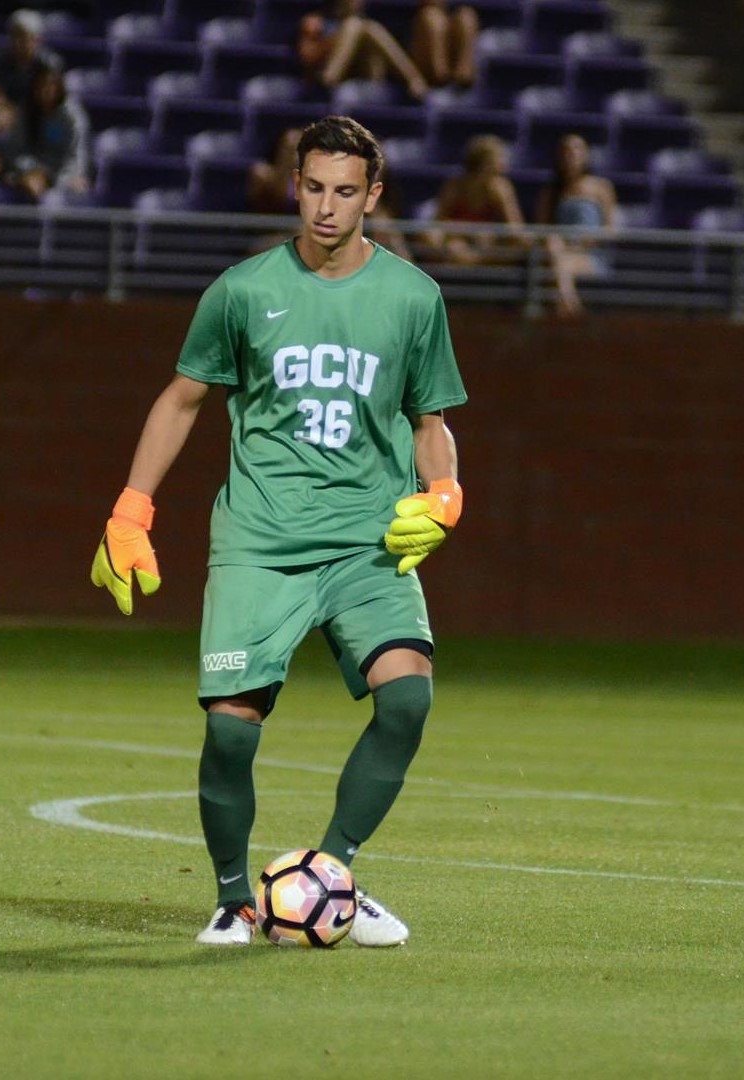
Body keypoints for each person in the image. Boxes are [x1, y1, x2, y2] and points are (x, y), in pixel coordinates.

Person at [89, 115, 468, 948]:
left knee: (407, 699)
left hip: (369, 540)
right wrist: (131, 508)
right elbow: (181, 400)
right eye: (312, 188)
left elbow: (430, 419)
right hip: (261, 541)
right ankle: (231, 900)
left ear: (373, 195)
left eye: (345, 192)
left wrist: (444, 493)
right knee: (231, 729)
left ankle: (330, 875)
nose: (326, 208)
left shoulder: (414, 297)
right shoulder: (242, 289)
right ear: (292, 185)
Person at [534, 132, 618, 319]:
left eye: (576, 149)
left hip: (590, 255)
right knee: (555, 249)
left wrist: (582, 244)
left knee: (559, 263)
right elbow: (542, 229)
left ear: (586, 154)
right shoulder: (550, 192)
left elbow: (609, 230)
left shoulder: (601, 187)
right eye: (565, 151)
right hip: (557, 250)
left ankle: (566, 308)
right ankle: (570, 307)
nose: (570, 155)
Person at [297, 0, 430, 100]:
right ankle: (328, 80)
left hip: (367, 75)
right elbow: (306, 59)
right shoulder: (315, 22)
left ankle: (413, 79)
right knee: (354, 25)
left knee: (371, 28)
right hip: (325, 77)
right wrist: (333, 42)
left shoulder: (363, 26)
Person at [427, 133, 523, 265]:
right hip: (456, 240)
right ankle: (471, 264)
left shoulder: (501, 188)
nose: (503, 162)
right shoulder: (454, 186)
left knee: (517, 243)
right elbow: (438, 223)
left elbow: (515, 229)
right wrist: (468, 231)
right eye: (499, 157)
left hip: (487, 245)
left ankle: (471, 263)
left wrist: (487, 235)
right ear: (483, 162)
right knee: (431, 237)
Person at [1, 63, 87, 201]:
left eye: (50, 85)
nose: (45, 90)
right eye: (40, 85)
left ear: (59, 87)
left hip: (62, 174)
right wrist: (33, 170)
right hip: (30, 170)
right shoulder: (25, 113)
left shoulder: (72, 116)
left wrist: (56, 178)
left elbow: (76, 156)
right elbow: (15, 151)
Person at [0, 9, 62, 111]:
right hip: (5, 112)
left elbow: (53, 97)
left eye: (23, 37)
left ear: (36, 39)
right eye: (14, 36)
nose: (17, 43)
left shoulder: (49, 63)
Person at [408, 0, 478, 89]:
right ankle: (440, 76)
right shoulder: (429, 17)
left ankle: (461, 74)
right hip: (429, 79)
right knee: (431, 17)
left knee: (466, 17)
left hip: (459, 80)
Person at [245, 125, 301, 216]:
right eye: (289, 149)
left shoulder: (313, 178)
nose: (293, 155)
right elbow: (278, 199)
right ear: (279, 148)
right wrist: (284, 168)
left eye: (297, 149)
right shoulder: (263, 175)